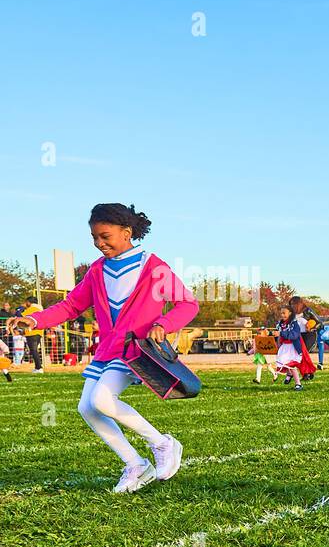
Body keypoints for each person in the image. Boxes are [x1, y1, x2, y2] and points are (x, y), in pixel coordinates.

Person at [5, 203, 196, 492]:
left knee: (103, 401)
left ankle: (162, 442)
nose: (99, 243)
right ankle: (136, 465)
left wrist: (164, 324)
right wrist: (33, 320)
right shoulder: (97, 270)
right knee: (87, 408)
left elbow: (187, 303)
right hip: (107, 349)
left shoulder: (153, 266)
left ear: (127, 232)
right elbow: (70, 306)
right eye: (94, 237)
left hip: (136, 350)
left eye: (105, 236)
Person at [274, 306, 309, 390]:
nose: (282, 315)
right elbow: (278, 334)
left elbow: (294, 335)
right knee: (283, 363)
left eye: (284, 313)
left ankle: (298, 384)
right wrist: (271, 333)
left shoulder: (294, 323)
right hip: (284, 347)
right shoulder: (280, 324)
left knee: (291, 365)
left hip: (293, 347)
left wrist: (281, 333)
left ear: (290, 313)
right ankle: (289, 374)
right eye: (281, 313)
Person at [19, 296, 45, 373]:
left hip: (32, 333)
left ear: (29, 302)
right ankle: (39, 366)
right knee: (34, 350)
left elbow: (21, 316)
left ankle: (38, 367)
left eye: (26, 302)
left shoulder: (32, 309)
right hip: (39, 332)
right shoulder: (40, 309)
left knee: (33, 350)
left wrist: (20, 309)